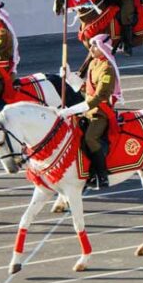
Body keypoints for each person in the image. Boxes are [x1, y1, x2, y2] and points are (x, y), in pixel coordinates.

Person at [58, 34, 122, 189]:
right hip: (88, 110)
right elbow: (87, 88)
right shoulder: (94, 63)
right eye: (92, 46)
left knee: (90, 138)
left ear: (103, 48)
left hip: (100, 112)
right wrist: (69, 77)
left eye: (95, 46)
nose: (91, 49)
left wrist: (73, 109)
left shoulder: (107, 68)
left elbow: (100, 96)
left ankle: (102, 175)